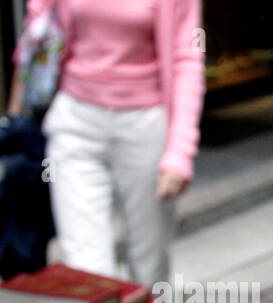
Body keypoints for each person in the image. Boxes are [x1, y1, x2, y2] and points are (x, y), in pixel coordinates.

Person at [7, 0, 204, 286]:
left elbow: (187, 58)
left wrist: (180, 152)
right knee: (86, 271)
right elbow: (37, 34)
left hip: (145, 122)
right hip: (74, 119)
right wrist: (15, 117)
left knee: (149, 269)